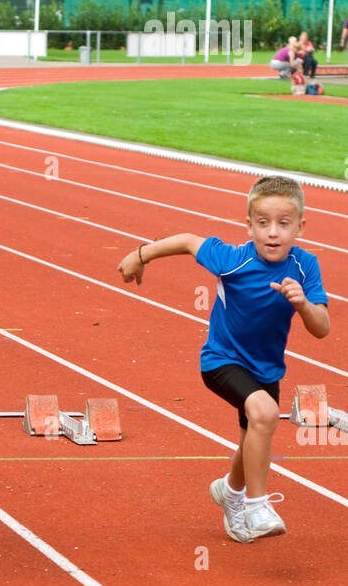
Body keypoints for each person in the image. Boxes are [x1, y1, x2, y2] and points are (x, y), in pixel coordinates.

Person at [117, 175, 329, 542]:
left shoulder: (305, 266)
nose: (273, 233)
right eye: (262, 223)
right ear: (248, 225)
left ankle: (230, 493)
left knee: (253, 438)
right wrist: (139, 256)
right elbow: (186, 241)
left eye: (283, 223)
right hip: (221, 360)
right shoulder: (232, 259)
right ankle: (256, 504)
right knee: (263, 414)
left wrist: (304, 304)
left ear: (301, 226)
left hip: (266, 369)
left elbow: (322, 328)